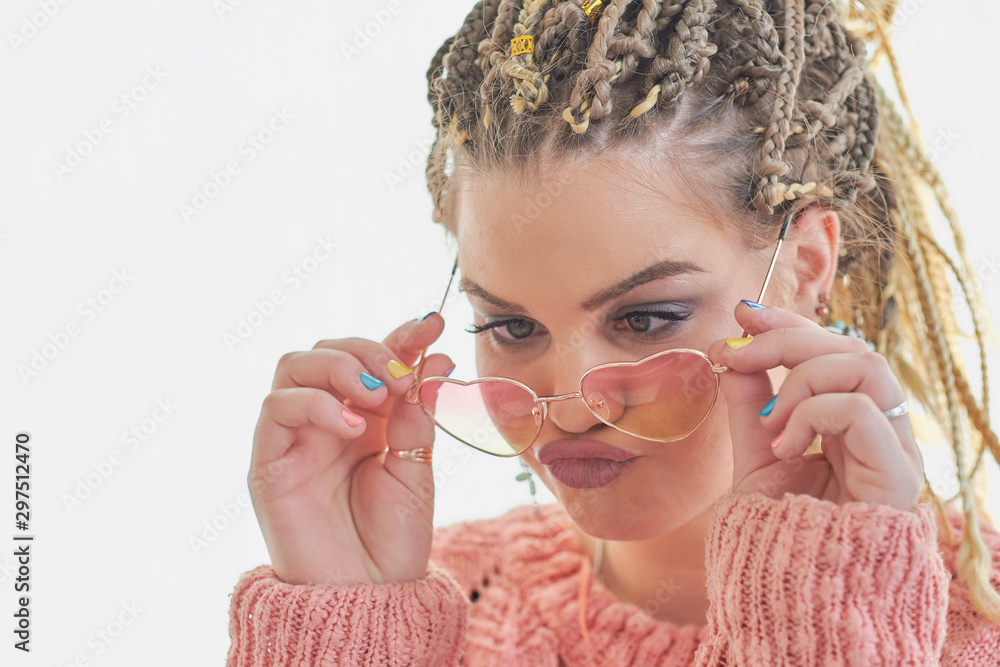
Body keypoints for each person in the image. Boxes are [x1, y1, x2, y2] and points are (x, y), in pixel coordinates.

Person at [225, 0, 1000, 664]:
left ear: (804, 267)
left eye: (644, 319)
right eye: (510, 324)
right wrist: (344, 629)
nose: (566, 404)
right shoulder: (420, 606)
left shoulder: (978, 624)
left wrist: (826, 619)